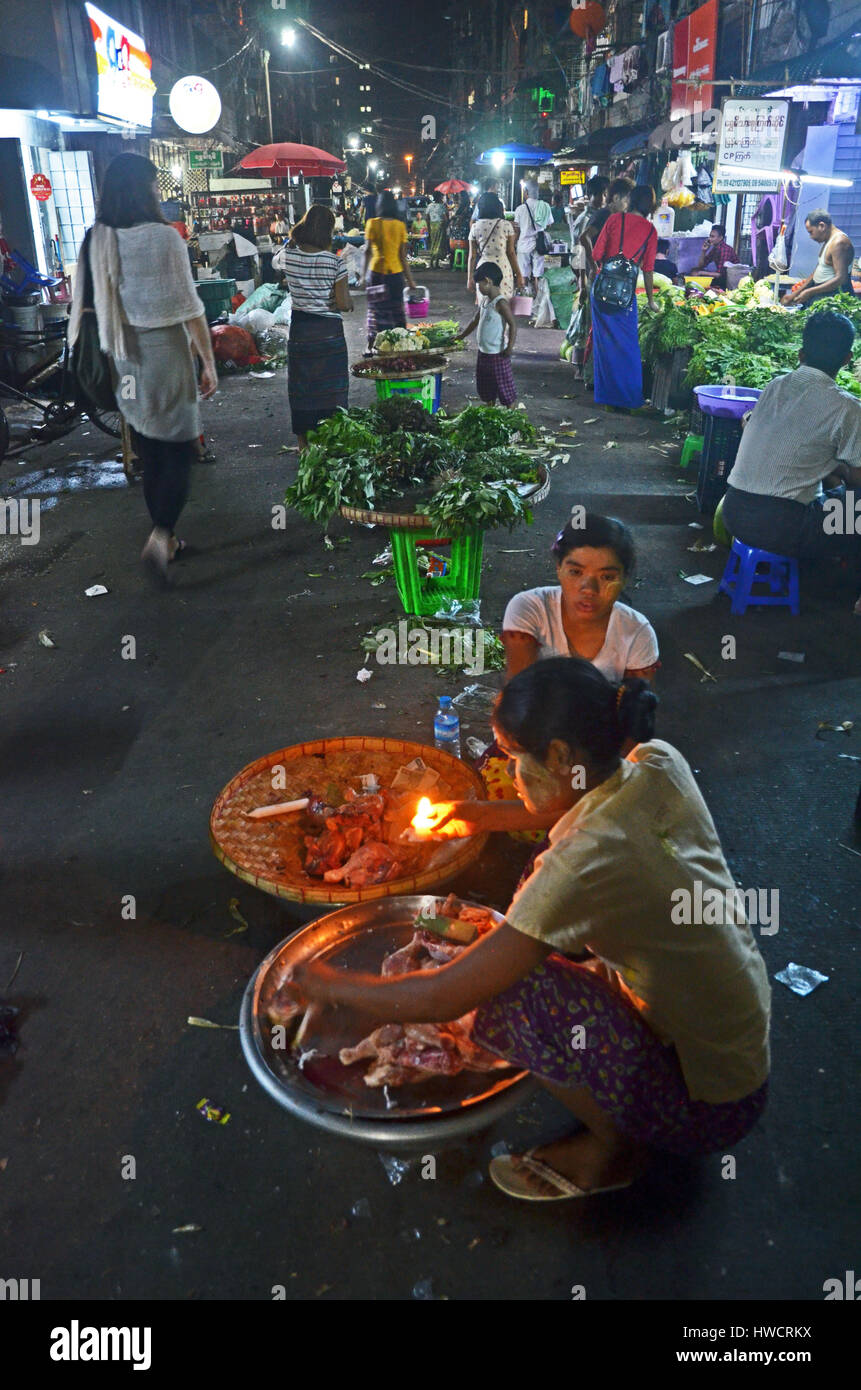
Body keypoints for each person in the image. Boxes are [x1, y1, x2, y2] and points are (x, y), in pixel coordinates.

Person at [289, 658, 771, 1200]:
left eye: (517, 760)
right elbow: (583, 806)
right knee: (544, 876)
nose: (510, 773)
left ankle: (618, 1148)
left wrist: (331, 983)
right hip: (740, 1052)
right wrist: (477, 813)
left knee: (509, 993)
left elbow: (443, 995)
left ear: (561, 755)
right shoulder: (657, 763)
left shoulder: (583, 860)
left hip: (703, 1106)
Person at [69, 153, 217, 584]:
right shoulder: (165, 238)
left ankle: (167, 541)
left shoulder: (96, 238)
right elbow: (190, 309)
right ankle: (162, 532)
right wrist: (208, 361)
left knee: (151, 450)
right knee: (180, 449)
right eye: (153, 185)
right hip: (167, 358)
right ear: (144, 189)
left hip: (124, 360)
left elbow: (86, 304)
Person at [722, 310, 861, 615]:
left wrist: (833, 467)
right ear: (848, 359)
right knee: (856, 504)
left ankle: (817, 571)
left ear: (801, 353)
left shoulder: (774, 386)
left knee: (834, 487)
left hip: (733, 511)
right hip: (781, 527)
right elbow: (858, 481)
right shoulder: (846, 407)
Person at [502, 513, 659, 681]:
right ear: (559, 568)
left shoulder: (638, 632)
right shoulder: (529, 608)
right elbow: (519, 692)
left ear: (624, 579)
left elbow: (636, 703)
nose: (589, 590)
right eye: (576, 572)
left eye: (607, 577)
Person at [272, 205, 353, 451]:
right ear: (328, 231)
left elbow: (276, 263)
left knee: (302, 387)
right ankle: (332, 440)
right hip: (329, 330)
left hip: (301, 330)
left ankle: (303, 444)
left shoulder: (289, 255)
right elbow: (343, 303)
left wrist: (291, 241)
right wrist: (345, 303)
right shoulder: (335, 262)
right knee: (332, 388)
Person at [590, 182, 658, 411]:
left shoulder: (614, 219)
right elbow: (648, 269)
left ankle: (608, 399)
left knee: (604, 346)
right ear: (650, 205)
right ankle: (630, 401)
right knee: (628, 348)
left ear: (630, 199)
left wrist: (605, 268)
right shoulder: (650, 230)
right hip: (624, 297)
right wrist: (650, 300)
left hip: (601, 291)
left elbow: (596, 253)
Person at [362, 190, 417, 351]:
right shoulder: (400, 225)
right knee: (397, 310)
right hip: (395, 276)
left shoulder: (371, 223)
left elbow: (367, 252)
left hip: (376, 274)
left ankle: (371, 345)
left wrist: (363, 276)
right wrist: (410, 280)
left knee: (376, 311)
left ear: (379, 205)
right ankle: (398, 346)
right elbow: (402, 257)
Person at [459, 260, 518, 407]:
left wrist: (509, 347)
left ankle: (511, 412)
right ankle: (490, 410)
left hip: (497, 354)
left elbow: (513, 324)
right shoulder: (485, 300)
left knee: (504, 387)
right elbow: (474, 320)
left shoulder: (501, 303)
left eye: (479, 284)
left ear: (487, 281)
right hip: (483, 352)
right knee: (486, 385)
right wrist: (461, 336)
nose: (478, 288)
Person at [782, 211, 855, 306]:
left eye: (811, 232)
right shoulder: (828, 241)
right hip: (823, 296)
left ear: (822, 226)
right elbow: (815, 274)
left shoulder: (839, 242)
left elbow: (841, 278)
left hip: (835, 299)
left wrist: (810, 292)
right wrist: (794, 295)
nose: (811, 237)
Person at [467, 191, 524, 302]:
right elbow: (511, 253)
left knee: (485, 306)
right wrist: (519, 275)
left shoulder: (475, 227)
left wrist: (470, 278)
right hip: (503, 271)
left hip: (483, 271)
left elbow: (472, 256)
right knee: (503, 306)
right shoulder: (506, 225)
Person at [513, 179, 553, 292]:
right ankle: (538, 300)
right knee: (537, 275)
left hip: (524, 245)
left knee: (523, 274)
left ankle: (525, 299)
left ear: (526, 192)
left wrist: (513, 244)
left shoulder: (520, 209)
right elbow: (550, 224)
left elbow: (517, 230)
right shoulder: (545, 206)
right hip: (539, 244)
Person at [694, 223, 738, 288]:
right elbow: (701, 265)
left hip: (729, 280)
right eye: (710, 236)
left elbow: (720, 274)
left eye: (712, 236)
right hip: (721, 278)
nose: (709, 239)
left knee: (698, 274)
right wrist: (704, 251)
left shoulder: (725, 250)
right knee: (694, 271)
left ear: (720, 238)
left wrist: (700, 273)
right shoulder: (715, 249)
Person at [448, 190, 472, 267]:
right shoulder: (469, 209)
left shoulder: (460, 210)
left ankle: (455, 261)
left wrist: (454, 217)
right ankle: (464, 261)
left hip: (455, 240)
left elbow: (453, 220)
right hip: (465, 238)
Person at [426, 190, 448, 269]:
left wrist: (428, 227)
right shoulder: (442, 206)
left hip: (432, 226)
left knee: (433, 243)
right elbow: (445, 218)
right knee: (439, 244)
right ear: (439, 197)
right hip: (440, 225)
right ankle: (437, 263)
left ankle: (431, 262)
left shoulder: (429, 206)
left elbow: (427, 218)